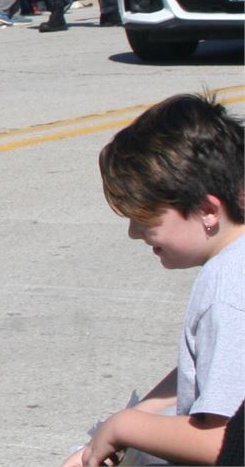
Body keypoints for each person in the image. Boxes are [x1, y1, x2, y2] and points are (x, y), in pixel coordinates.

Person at [63, 94, 245, 467]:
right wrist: (136, 417)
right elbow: (221, 370)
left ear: (208, 211)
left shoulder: (225, 290)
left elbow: (224, 443)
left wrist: (124, 427)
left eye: (146, 217)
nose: (134, 233)